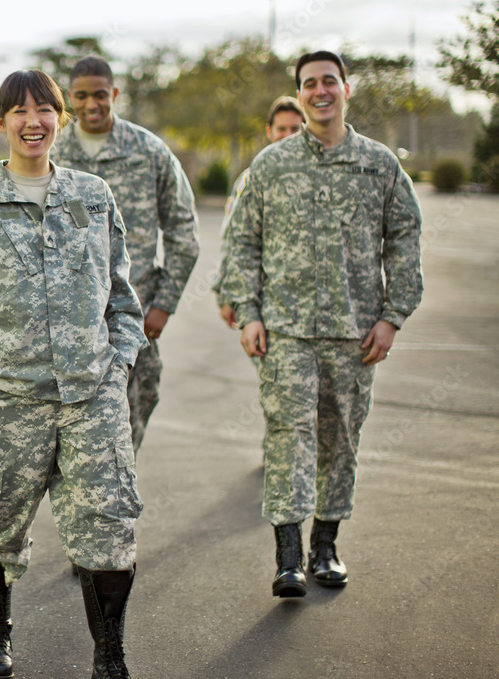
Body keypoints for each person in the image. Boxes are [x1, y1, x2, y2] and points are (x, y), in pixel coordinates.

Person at [0, 69, 146, 679]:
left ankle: (110, 654)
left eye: (45, 110)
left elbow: (121, 291)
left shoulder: (93, 195)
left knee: (108, 521)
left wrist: (120, 360)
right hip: (9, 397)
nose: (34, 121)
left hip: (91, 394)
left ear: (61, 120)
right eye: (19, 112)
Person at [220, 51, 423, 597]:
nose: (319, 91)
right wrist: (249, 312)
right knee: (289, 438)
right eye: (308, 83)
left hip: (355, 334)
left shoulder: (379, 164)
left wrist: (392, 317)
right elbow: (242, 239)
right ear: (300, 93)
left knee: (340, 441)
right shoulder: (271, 164)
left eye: (328, 80)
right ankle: (288, 556)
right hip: (285, 332)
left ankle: (325, 547)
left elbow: (404, 237)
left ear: (346, 89)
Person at [53, 55, 199, 453]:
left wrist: (163, 305)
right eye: (80, 96)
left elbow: (184, 233)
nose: (91, 105)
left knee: (133, 415)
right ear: (70, 98)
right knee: (66, 427)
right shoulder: (51, 150)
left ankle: (116, 503)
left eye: (100, 95)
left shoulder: (149, 152)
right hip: (65, 319)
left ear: (114, 93)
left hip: (133, 317)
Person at [215, 96, 305, 328]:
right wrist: (227, 295)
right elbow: (233, 237)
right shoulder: (253, 177)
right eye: (281, 129)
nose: (287, 135)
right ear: (269, 131)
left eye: (295, 129)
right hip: (266, 299)